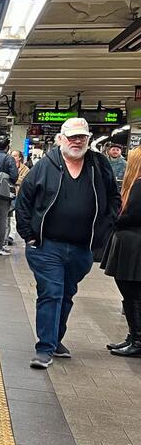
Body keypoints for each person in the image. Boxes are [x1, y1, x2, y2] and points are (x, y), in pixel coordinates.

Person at [15, 117, 120, 369]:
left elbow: (113, 198)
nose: (77, 141)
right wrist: (29, 235)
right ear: (61, 139)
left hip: (82, 248)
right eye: (72, 137)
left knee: (66, 294)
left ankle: (55, 338)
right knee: (51, 292)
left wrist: (105, 230)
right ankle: (45, 348)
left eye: (82, 137)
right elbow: (24, 201)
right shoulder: (45, 166)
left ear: (88, 140)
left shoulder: (99, 165)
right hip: (46, 246)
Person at [101, 146, 141, 355]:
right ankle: (133, 336)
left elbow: (134, 215)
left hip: (133, 247)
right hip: (132, 245)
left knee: (133, 294)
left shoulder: (139, 185)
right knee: (133, 294)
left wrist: (113, 220)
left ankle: (137, 341)